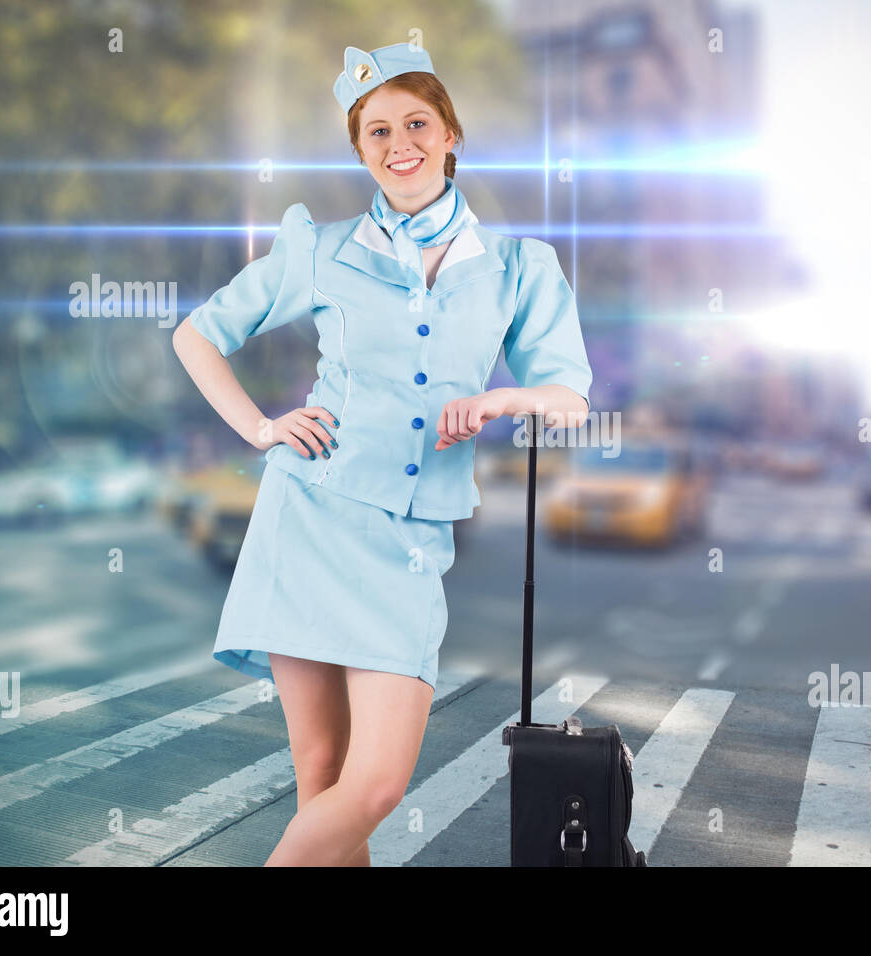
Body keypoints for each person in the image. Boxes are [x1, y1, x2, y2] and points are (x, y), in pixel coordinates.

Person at [172, 41, 593, 866]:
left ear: (450, 133)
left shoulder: (516, 267)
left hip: (408, 546)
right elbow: (197, 335)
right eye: (376, 132)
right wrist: (262, 429)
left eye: (415, 122)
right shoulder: (320, 249)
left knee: (373, 789)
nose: (398, 143)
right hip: (307, 515)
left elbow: (570, 397)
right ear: (360, 149)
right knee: (323, 775)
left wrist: (503, 398)